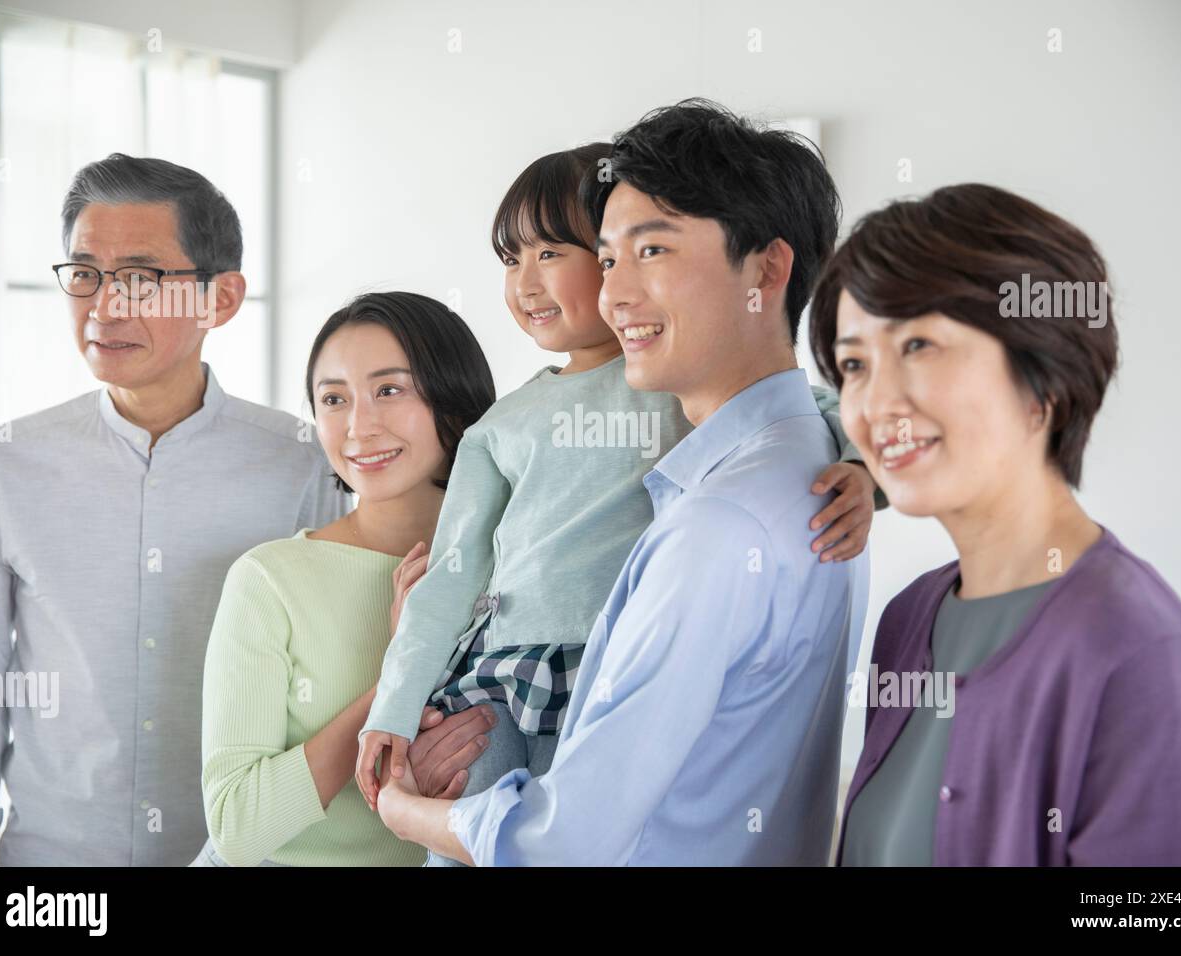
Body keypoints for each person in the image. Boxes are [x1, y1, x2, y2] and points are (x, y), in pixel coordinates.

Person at [371, 99, 869, 865]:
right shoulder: (768, 460)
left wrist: (407, 814)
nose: (616, 293)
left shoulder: (718, 505)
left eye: (652, 251)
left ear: (766, 270)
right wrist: (397, 702)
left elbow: (564, 840)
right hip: (505, 678)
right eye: (608, 260)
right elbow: (455, 574)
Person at [814, 183, 1181, 865]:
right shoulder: (908, 620)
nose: (877, 402)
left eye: (919, 345)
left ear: (1043, 374)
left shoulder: (1138, 654)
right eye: (855, 364)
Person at [0, 154, 351, 866]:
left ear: (219, 299)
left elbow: (323, 688)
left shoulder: (304, 461)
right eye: (85, 274)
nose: (105, 307)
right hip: (50, 875)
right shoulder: (3, 463)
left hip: (239, 855)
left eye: (140, 279)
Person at [194, 292, 498, 866]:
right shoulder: (268, 579)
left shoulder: (513, 567)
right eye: (334, 399)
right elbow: (238, 827)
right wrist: (401, 672)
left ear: (455, 402)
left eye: (390, 390)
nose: (358, 427)